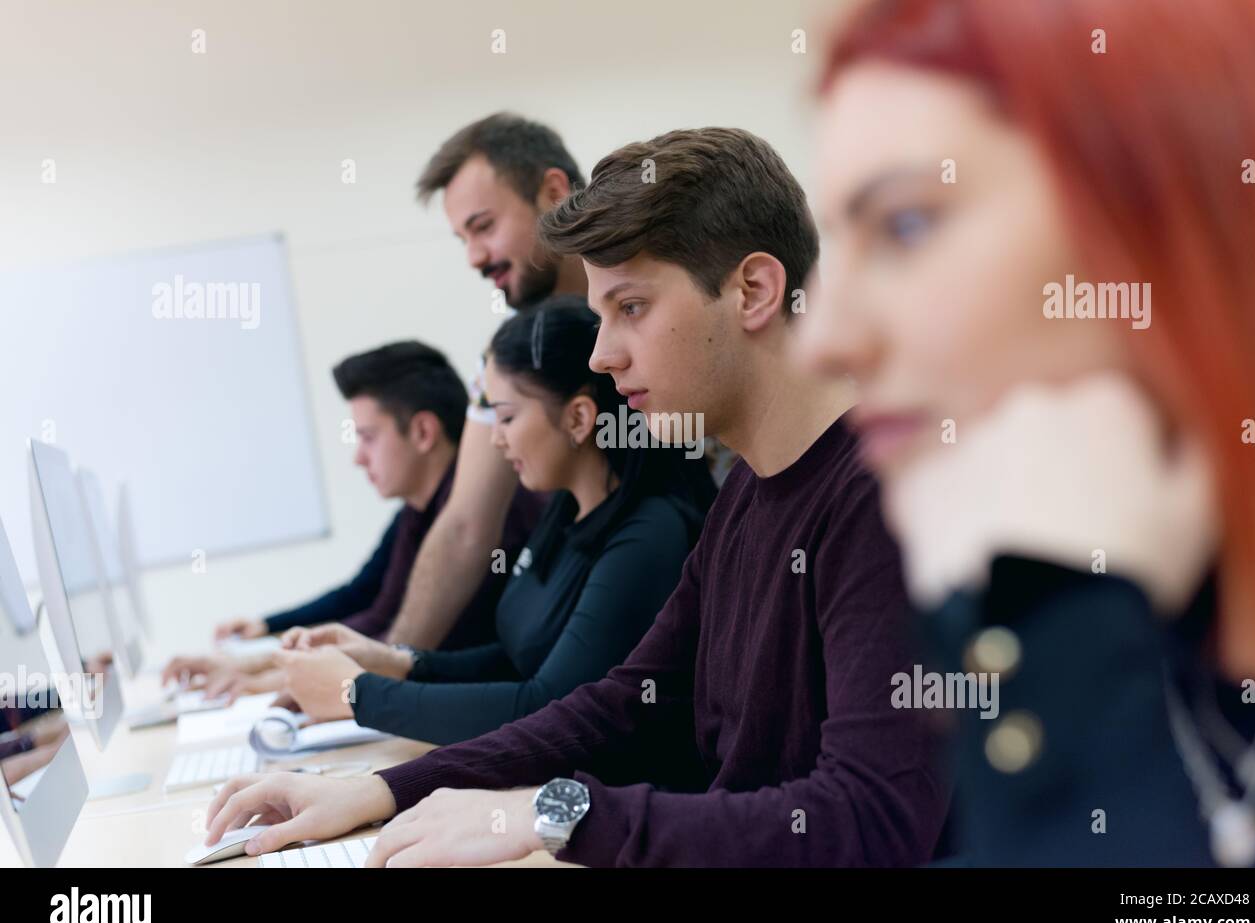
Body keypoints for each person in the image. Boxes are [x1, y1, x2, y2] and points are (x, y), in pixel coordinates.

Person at [204, 126, 949, 868]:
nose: (602, 355)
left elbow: (869, 818)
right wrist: (383, 788)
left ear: (753, 289)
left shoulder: (885, 502)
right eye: (600, 317)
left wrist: (554, 813)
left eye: (631, 307)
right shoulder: (747, 493)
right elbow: (622, 702)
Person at [797, 0, 1255, 865]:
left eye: (907, 224)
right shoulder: (1085, 593)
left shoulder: (1050, 605)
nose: (824, 341)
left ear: (1178, 223)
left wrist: (1054, 631)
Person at [274, 298, 716, 745]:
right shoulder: (564, 513)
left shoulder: (648, 534)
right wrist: (395, 661)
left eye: (506, 417)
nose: (496, 440)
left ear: (579, 418)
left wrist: (358, 694)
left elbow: (547, 707)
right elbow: (517, 659)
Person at [163, 341, 540, 696]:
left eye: (368, 437)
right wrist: (257, 661)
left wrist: (265, 677)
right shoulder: (416, 512)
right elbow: (367, 604)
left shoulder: (486, 514)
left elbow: (396, 644)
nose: (358, 458)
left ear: (424, 432)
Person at [381, 114, 592, 652]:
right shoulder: (502, 359)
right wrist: (384, 668)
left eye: (484, 226)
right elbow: (463, 529)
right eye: (463, 239)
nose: (475, 257)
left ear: (553, 192)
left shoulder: (662, 304)